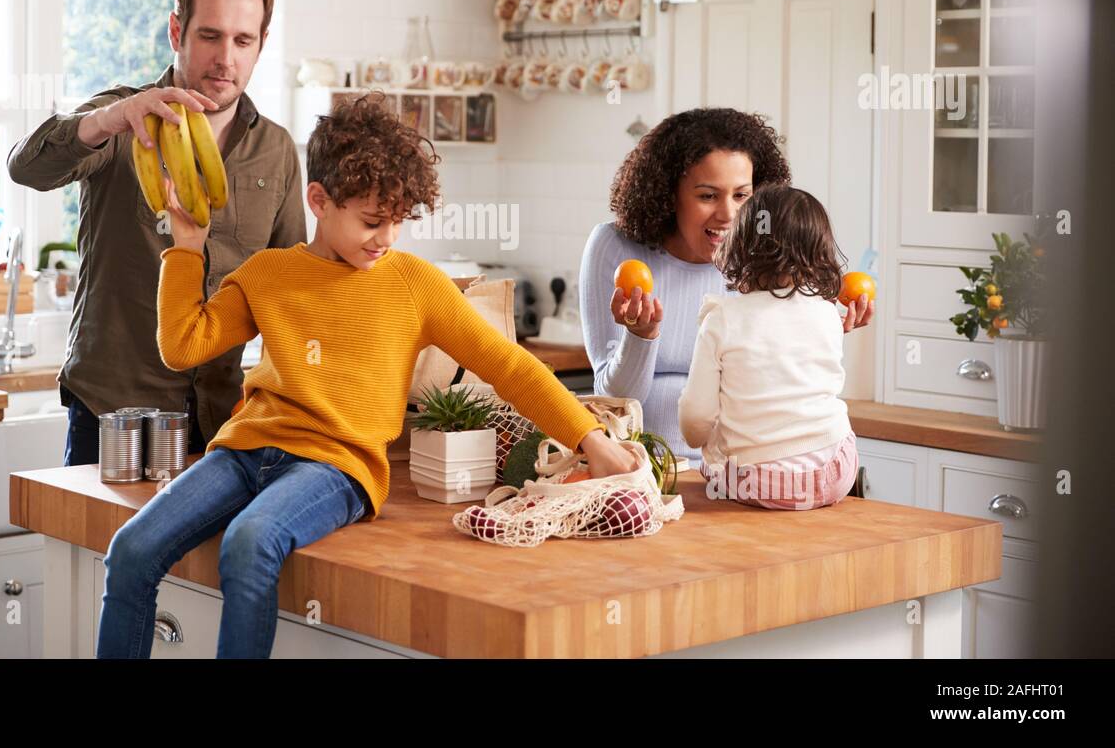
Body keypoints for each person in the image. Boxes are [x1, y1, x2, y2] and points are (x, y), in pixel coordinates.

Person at [96, 94, 635, 658]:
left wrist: (588, 437)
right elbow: (184, 345)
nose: (387, 238)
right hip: (244, 450)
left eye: (398, 221)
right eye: (373, 221)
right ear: (319, 200)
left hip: (338, 465)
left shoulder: (415, 283)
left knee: (249, 543)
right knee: (131, 549)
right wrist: (186, 247)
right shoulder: (269, 273)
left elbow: (509, 364)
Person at [7, 0, 305, 466]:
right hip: (112, 412)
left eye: (243, 40)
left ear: (261, 45)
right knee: (101, 550)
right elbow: (26, 168)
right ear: (176, 32)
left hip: (219, 420)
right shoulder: (122, 119)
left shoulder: (275, 150)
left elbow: (295, 290)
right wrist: (110, 119)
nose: (226, 58)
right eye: (209, 35)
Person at [579, 108, 872, 464]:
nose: (728, 215)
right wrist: (640, 336)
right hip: (643, 467)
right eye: (707, 196)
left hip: (747, 469)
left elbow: (782, 378)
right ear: (668, 194)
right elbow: (614, 400)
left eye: (741, 196)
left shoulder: (765, 255)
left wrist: (821, 317)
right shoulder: (616, 247)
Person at [678, 184, 859, 510]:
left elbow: (695, 419)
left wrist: (702, 442)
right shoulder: (828, 311)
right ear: (818, 251)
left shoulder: (722, 318)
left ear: (741, 246)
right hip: (838, 468)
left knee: (714, 463)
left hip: (763, 482)